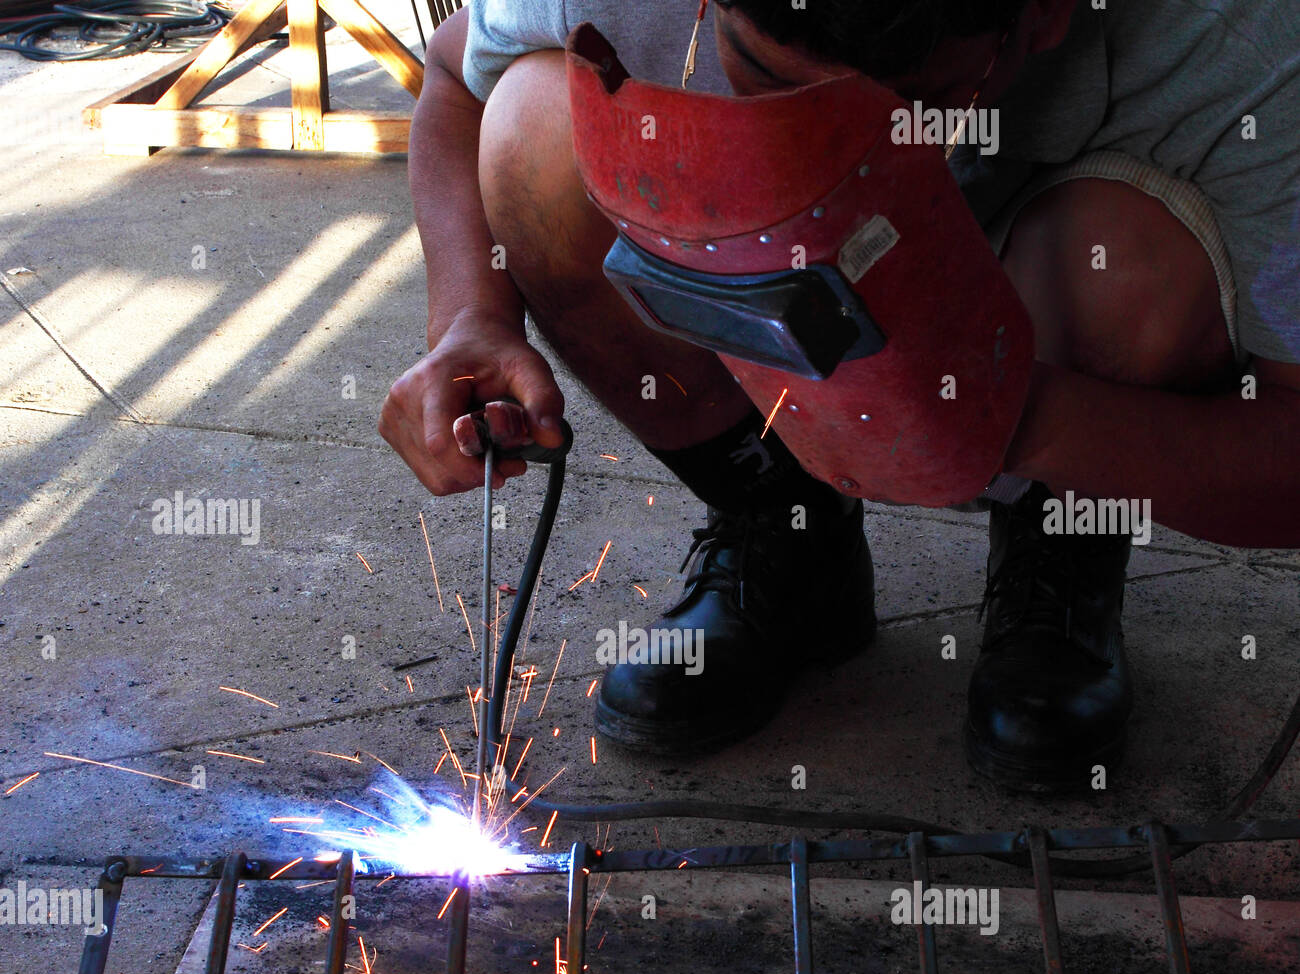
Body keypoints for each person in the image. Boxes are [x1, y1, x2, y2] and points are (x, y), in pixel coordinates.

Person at [379, 0, 1300, 791]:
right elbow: (459, 79)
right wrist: (471, 316)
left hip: (1052, 262)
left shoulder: (1239, 42)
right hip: (758, 257)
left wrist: (1017, 414)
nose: (833, 149)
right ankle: (782, 538)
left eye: (913, 106)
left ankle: (1058, 555)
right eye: (769, 79)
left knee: (1127, 261)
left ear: (1046, 13)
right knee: (534, 130)